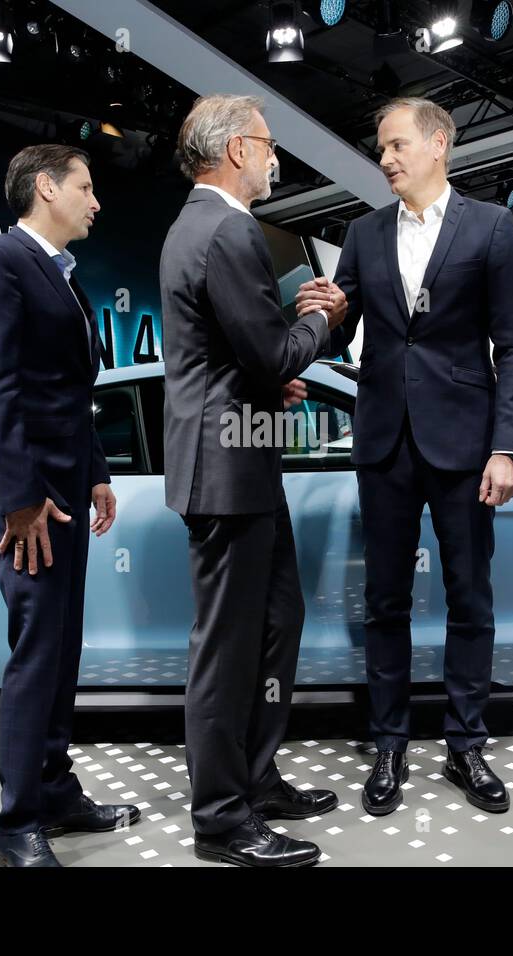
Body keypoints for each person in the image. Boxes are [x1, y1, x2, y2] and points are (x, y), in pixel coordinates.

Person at [296, 96, 513, 817]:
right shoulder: (362, 233)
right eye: (381, 149)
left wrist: (508, 446)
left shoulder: (491, 226)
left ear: (438, 144)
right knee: (385, 600)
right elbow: (345, 336)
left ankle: (466, 743)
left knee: (470, 596)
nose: (386, 159)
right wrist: (326, 315)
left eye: (397, 145)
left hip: (465, 444)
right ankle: (389, 742)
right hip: (384, 442)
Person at [160, 94, 341, 867]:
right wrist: (320, 322)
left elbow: (239, 359)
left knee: (275, 628)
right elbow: (269, 352)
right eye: (268, 144)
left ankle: (256, 779)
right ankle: (221, 821)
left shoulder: (195, 228)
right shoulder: (227, 228)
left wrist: (274, 377)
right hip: (226, 475)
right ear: (236, 149)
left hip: (242, 467)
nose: (275, 159)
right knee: (227, 653)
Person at [0, 145, 139, 867]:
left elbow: (70, 395)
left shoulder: (64, 279)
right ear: (45, 188)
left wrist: (94, 471)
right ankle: (17, 827)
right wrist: (21, 502)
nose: (96, 203)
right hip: (29, 501)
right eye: (86, 187)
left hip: (65, 490)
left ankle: (57, 790)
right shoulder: (1, 261)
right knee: (37, 654)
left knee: (60, 649)